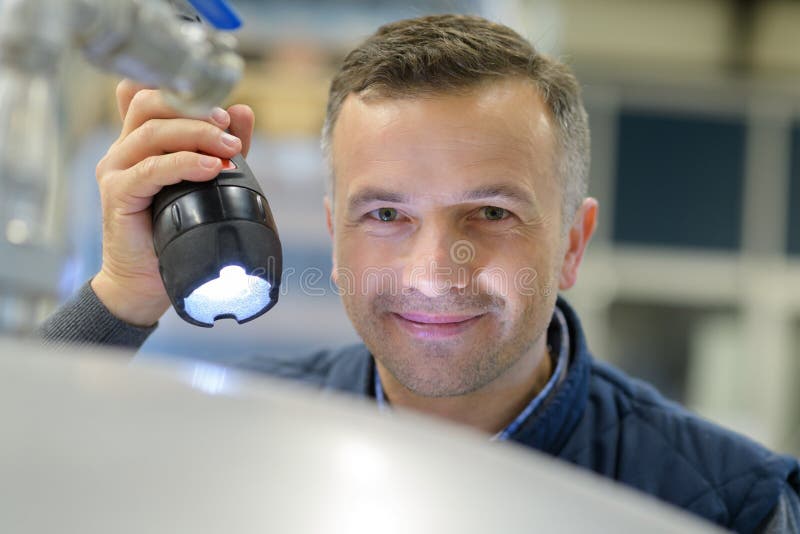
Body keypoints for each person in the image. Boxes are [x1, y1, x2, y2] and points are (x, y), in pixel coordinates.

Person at [40, 14, 799, 532]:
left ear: (573, 242)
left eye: (491, 213)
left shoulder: (727, 505)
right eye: (387, 216)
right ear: (337, 238)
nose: (435, 272)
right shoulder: (244, 431)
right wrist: (122, 297)